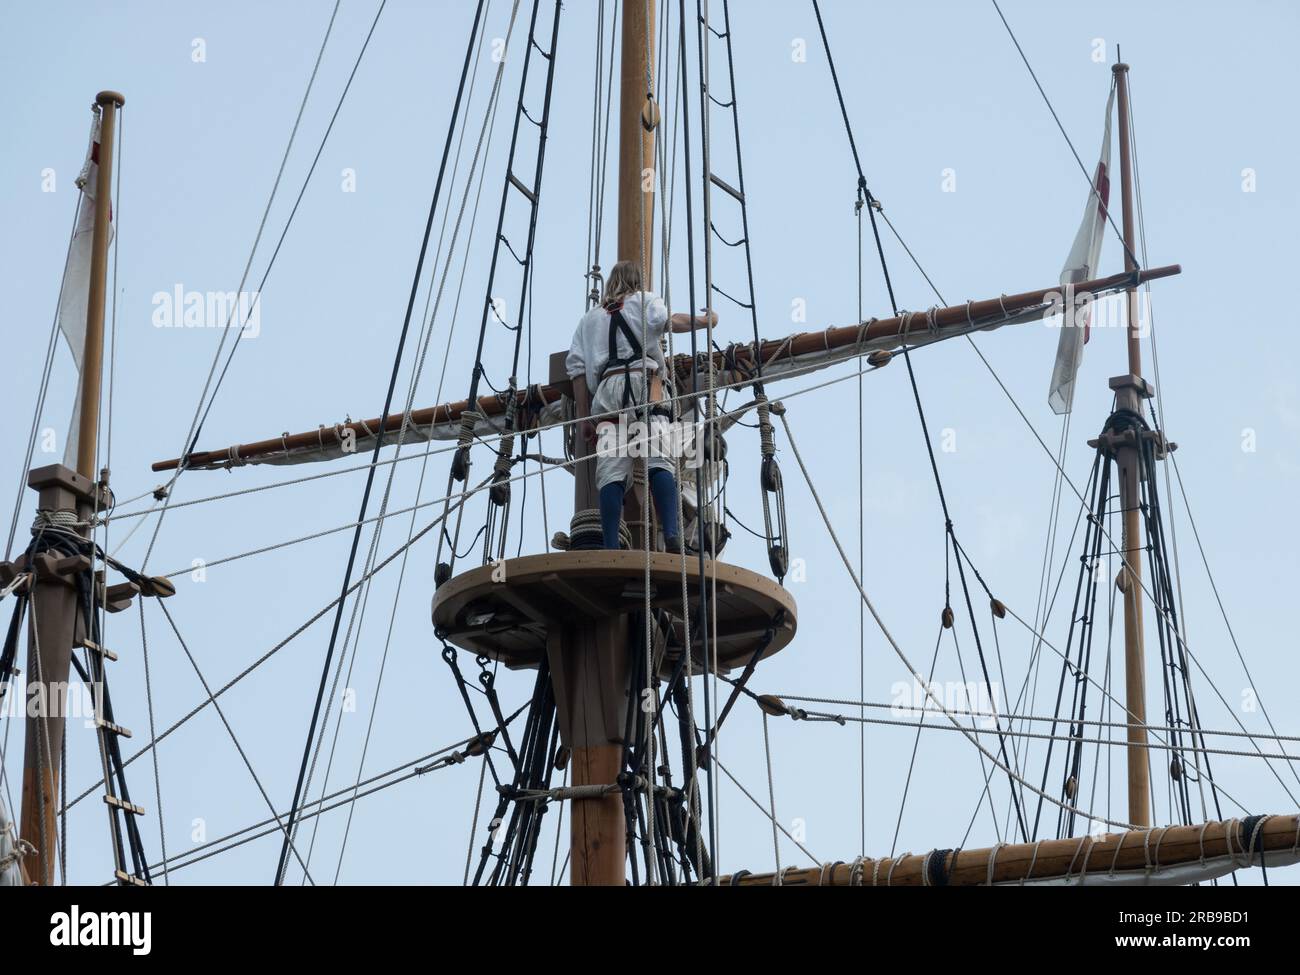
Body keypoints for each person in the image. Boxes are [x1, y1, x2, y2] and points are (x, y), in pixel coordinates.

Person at [565, 261, 716, 552]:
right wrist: (707, 321)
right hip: (645, 387)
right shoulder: (645, 300)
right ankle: (671, 535)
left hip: (608, 393)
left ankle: (611, 546)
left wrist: (583, 418)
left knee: (611, 472)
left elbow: (577, 372)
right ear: (637, 281)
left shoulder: (589, 320)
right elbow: (672, 322)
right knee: (659, 459)